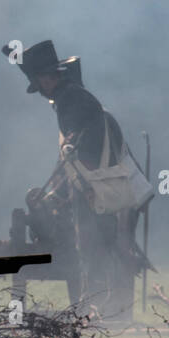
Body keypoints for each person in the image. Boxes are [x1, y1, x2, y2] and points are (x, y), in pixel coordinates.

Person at [8, 40, 135, 319]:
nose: (40, 89)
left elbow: (75, 152)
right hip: (91, 186)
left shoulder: (70, 101)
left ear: (47, 78)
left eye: (39, 81)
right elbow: (72, 151)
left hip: (91, 187)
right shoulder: (71, 98)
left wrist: (57, 191)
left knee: (89, 247)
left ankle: (97, 308)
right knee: (96, 245)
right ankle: (101, 307)